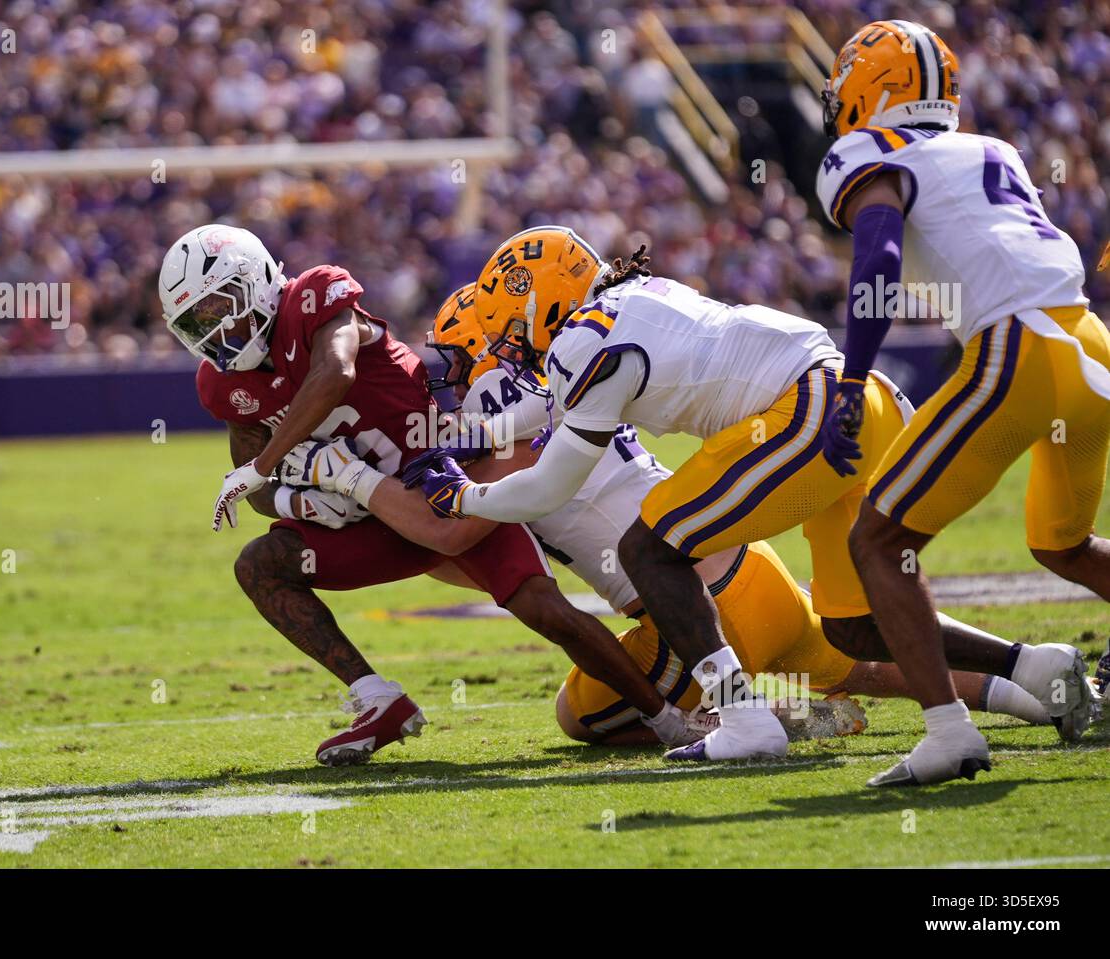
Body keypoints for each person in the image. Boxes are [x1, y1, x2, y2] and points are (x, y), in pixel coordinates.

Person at [404, 225, 1091, 769]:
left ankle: (746, 717)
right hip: (860, 406)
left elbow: (541, 483)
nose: (508, 343)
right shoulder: (627, 304)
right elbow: (541, 414)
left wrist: (453, 494)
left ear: (539, 299)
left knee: (648, 552)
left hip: (809, 416)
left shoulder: (583, 342)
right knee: (857, 627)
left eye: (510, 325)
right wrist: (466, 431)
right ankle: (1036, 673)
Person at [160, 224, 691, 763]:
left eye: (217, 308)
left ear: (256, 280)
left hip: (447, 485)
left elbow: (334, 373)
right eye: (195, 323)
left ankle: (666, 718)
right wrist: (295, 502)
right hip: (375, 519)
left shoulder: (314, 297)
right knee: (260, 565)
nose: (213, 332)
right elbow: (252, 483)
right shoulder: (224, 386)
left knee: (545, 611)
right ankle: (375, 697)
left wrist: (274, 465)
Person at [814, 19, 1105, 785]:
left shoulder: (874, 155)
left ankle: (950, 731)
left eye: (848, 80)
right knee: (1064, 547)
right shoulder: (993, 149)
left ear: (875, 90)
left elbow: (877, 254)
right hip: (1088, 338)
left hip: (1021, 352)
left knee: (876, 542)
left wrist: (851, 378)